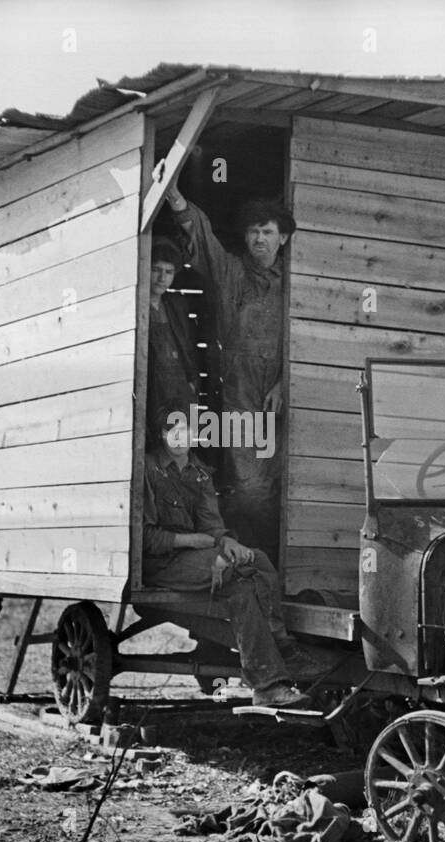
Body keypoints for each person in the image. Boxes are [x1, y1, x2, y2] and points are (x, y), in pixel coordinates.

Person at [142, 402, 311, 709]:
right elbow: (146, 538)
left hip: (200, 557)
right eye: (173, 431)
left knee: (255, 562)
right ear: (161, 434)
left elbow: (212, 525)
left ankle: (270, 672)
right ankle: (279, 655)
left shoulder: (200, 473)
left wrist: (227, 542)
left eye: (188, 430)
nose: (181, 437)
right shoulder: (148, 470)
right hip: (163, 564)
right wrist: (190, 540)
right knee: (240, 574)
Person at [163, 183, 296, 564]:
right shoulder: (231, 271)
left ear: (282, 237)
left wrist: (286, 381)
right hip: (241, 387)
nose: (259, 238)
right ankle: (260, 559)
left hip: (289, 387)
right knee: (248, 484)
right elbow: (201, 236)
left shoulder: (297, 282)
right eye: (253, 231)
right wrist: (176, 199)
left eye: (268, 231)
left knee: (292, 479)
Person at [145, 237, 201, 416]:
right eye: (156, 270)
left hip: (178, 386)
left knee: (181, 440)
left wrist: (191, 382)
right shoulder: (136, 305)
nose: (162, 278)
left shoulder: (175, 305)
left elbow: (188, 346)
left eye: (169, 272)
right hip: (152, 386)